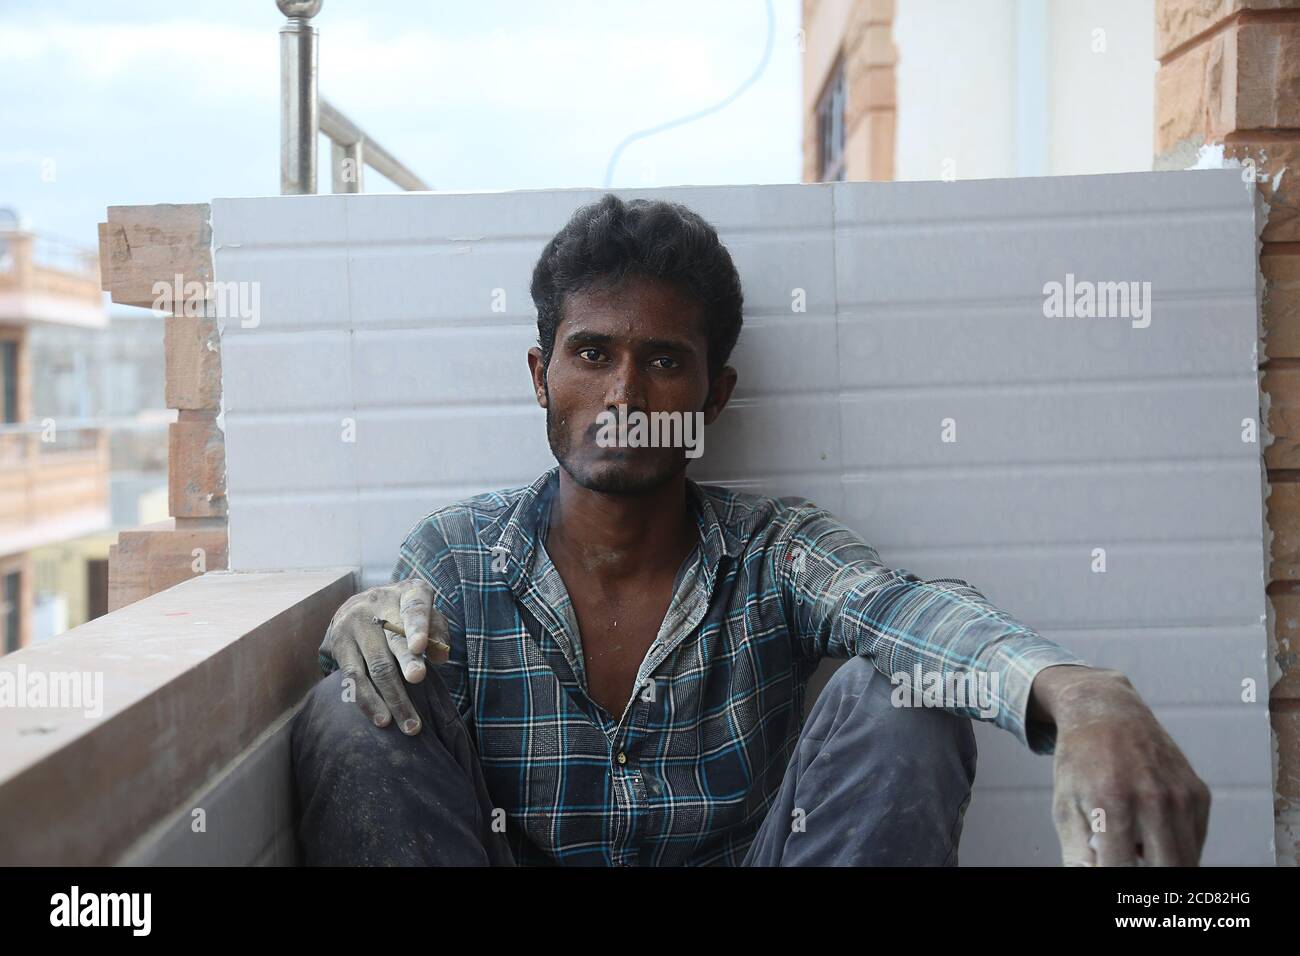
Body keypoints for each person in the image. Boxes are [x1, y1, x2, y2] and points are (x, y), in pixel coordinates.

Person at [290, 194, 1210, 866]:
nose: (623, 394)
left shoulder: (773, 551)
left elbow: (905, 615)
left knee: (906, 700)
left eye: (663, 360)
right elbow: (379, 684)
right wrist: (355, 635)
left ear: (712, 395)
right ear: (542, 376)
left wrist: (1085, 695)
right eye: (592, 353)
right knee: (353, 709)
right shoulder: (454, 556)